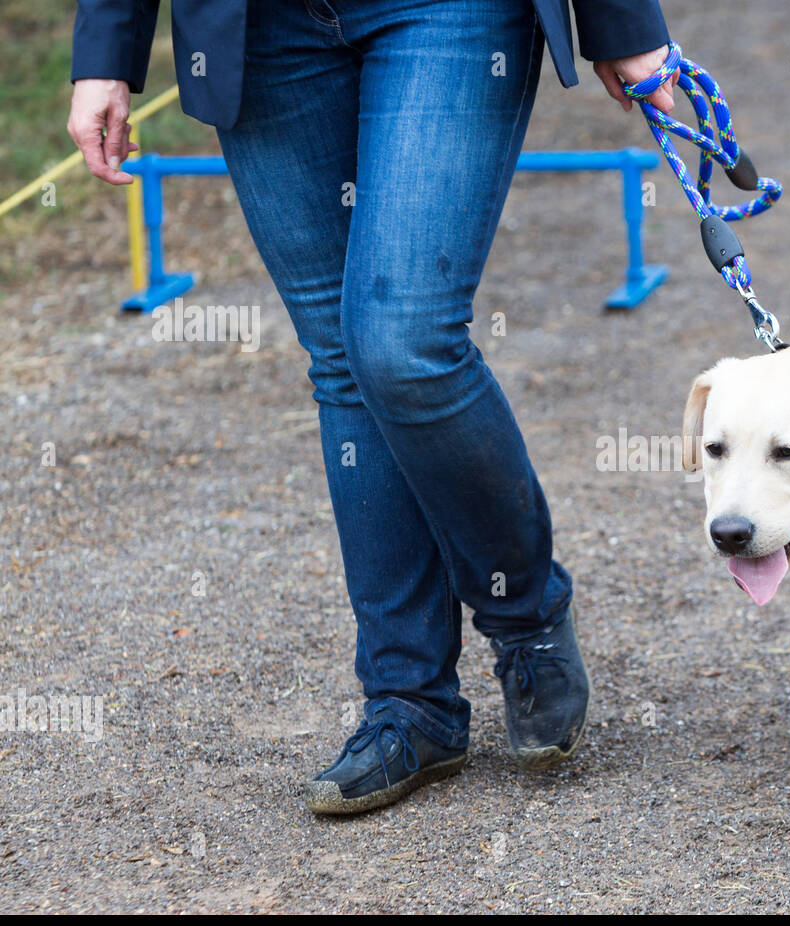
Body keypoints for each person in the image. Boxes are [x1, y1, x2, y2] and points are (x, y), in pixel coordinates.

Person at [68, 0, 677, 814]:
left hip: (447, 12)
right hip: (258, 26)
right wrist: (105, 49)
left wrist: (621, 20)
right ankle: (410, 702)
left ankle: (524, 612)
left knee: (402, 342)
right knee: (343, 359)